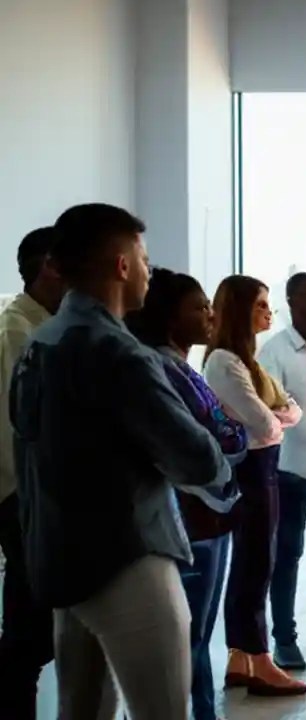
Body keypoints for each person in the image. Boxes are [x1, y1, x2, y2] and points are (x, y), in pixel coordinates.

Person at [10, 203, 231, 719]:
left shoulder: (38, 344)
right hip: (128, 558)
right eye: (145, 258)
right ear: (121, 264)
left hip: (63, 561)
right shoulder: (117, 352)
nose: (151, 271)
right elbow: (196, 458)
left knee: (80, 710)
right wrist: (221, 465)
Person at [125, 268, 248, 720]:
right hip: (189, 515)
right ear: (168, 316)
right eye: (198, 307)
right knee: (183, 641)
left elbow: (227, 432)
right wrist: (229, 436)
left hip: (209, 513)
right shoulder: (159, 367)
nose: (210, 314)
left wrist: (229, 435)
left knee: (196, 638)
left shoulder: (181, 366)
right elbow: (215, 436)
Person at [203, 275, 306, 696]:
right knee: (256, 564)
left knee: (253, 565)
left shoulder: (250, 361)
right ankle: (259, 658)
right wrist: (277, 415)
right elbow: (266, 424)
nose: (268, 310)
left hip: (264, 467)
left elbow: (291, 410)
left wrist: (276, 416)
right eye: (260, 303)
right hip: (250, 471)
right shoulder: (224, 362)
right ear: (239, 309)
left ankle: (241, 657)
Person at [0, 226, 65, 719]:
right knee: (28, 634)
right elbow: (26, 426)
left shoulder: (46, 322)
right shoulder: (18, 330)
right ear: (49, 266)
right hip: (22, 495)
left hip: (36, 495)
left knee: (36, 629)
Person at [258, 271, 306, 671]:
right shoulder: (275, 352)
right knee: (288, 553)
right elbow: (267, 408)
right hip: (290, 468)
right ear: (291, 302)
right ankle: (285, 639)